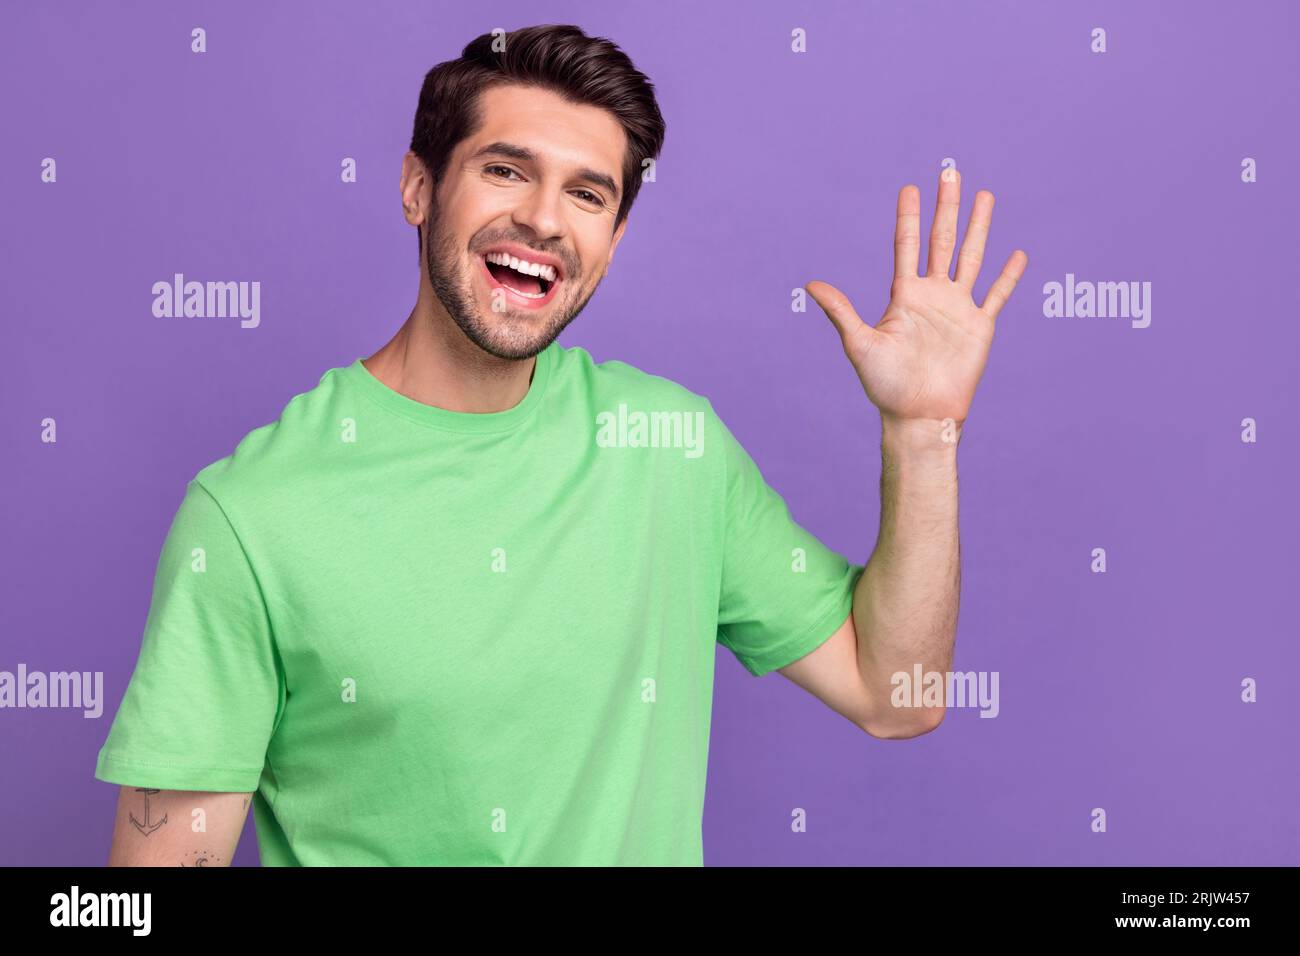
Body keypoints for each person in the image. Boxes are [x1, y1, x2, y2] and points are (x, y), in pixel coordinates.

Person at [95, 23, 1026, 866]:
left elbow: (896, 695)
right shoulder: (253, 515)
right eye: (505, 170)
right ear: (419, 187)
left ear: (614, 239)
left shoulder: (673, 451)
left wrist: (920, 432)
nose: (543, 219)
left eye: (587, 193)